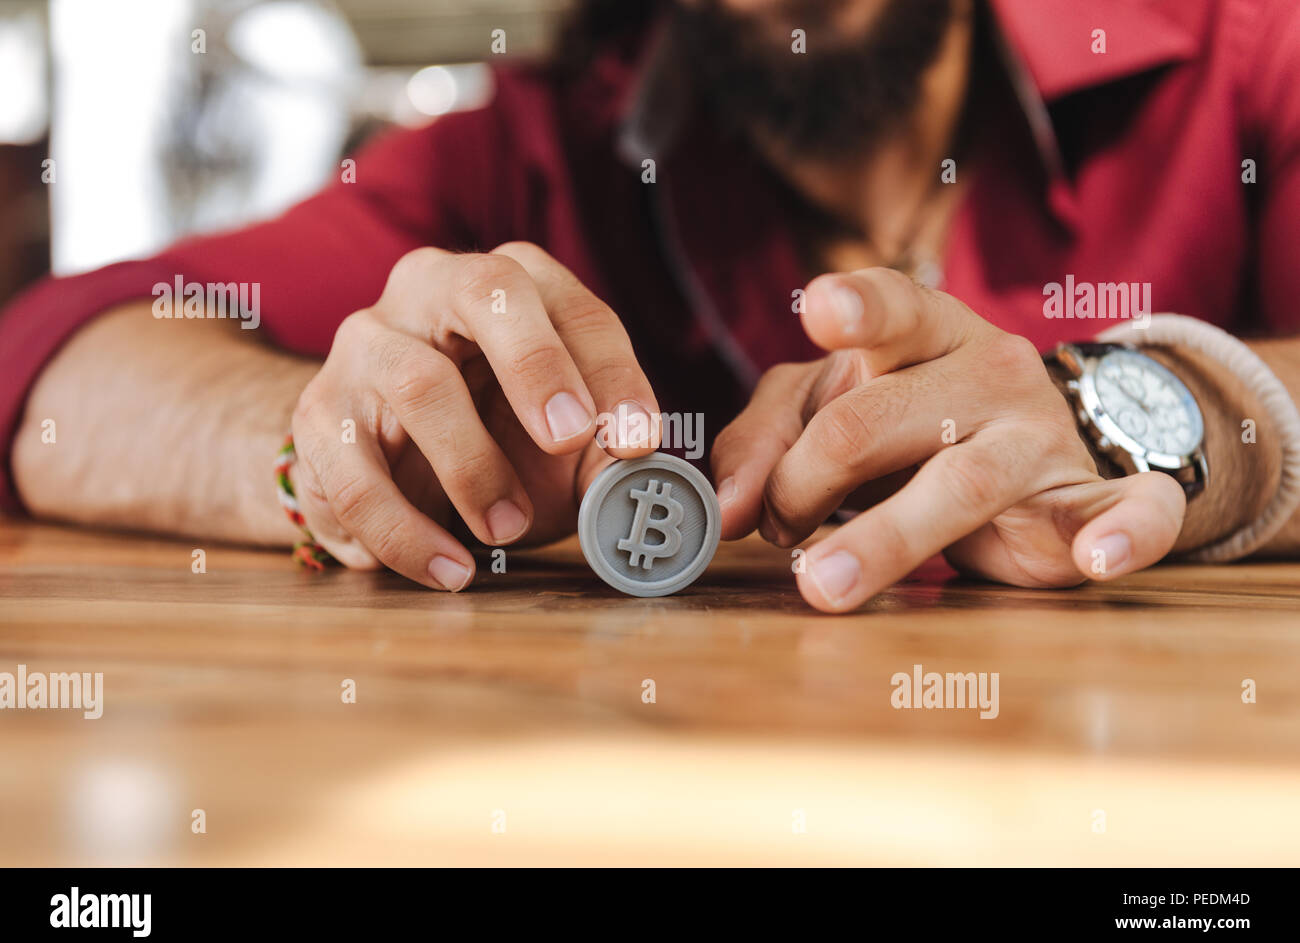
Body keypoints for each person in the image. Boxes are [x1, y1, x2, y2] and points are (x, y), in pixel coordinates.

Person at [2, 0, 1298, 613]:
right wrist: (329, 451)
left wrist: (1182, 409)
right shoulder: (523, 156)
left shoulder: (1246, 55)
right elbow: (53, 358)